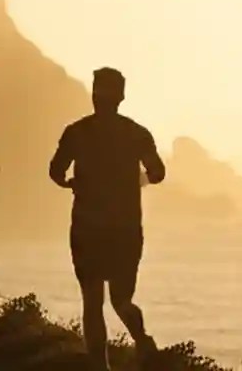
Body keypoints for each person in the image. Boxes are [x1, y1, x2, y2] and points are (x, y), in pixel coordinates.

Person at [49, 67, 166, 370]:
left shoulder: (76, 132)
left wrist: (71, 183)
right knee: (121, 300)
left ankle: (101, 368)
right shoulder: (138, 133)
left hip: (87, 229)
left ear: (94, 95)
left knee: (92, 302)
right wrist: (133, 181)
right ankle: (143, 342)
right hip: (125, 231)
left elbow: (56, 172)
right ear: (122, 96)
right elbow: (158, 173)